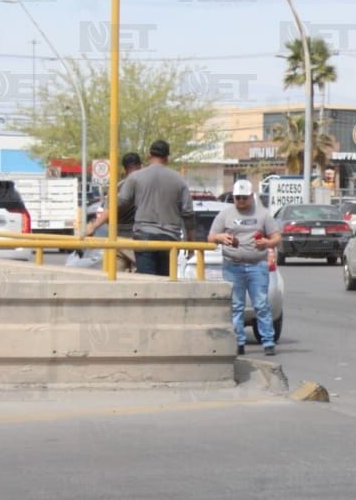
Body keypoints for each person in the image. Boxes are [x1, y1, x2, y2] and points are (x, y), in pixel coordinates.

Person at [209, 179, 282, 356]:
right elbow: (211, 237)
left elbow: (277, 237)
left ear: (251, 196)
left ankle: (268, 342)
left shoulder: (263, 214)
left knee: (261, 305)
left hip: (257, 266)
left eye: (244, 197)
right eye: (238, 197)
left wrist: (267, 243)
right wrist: (220, 238)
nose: (241, 201)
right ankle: (238, 342)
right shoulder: (225, 214)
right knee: (236, 306)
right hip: (233, 266)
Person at [119, 139, 194, 276]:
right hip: (170, 238)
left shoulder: (135, 177)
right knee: (164, 282)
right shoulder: (179, 180)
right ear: (167, 158)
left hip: (144, 236)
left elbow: (120, 202)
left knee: (147, 281)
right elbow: (188, 214)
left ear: (149, 155)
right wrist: (190, 244)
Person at [84, 152, 142, 273]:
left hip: (117, 239)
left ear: (124, 169)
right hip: (138, 239)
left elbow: (108, 212)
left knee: (115, 276)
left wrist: (93, 227)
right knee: (141, 277)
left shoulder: (117, 187)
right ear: (140, 166)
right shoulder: (145, 186)